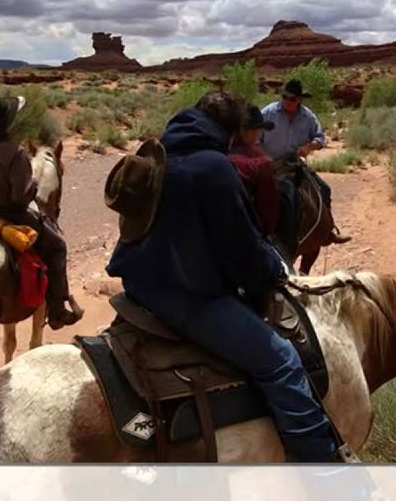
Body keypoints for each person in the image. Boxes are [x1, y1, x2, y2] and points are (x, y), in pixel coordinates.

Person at [104, 90, 356, 463]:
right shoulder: (213, 166)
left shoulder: (159, 154)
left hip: (139, 285)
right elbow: (243, 252)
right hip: (185, 299)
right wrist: (272, 271)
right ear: (231, 130)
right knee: (282, 361)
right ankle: (321, 470)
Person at [0, 95, 83, 330]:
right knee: (57, 246)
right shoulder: (16, 153)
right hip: (11, 215)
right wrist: (32, 183)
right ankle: (57, 310)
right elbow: (19, 197)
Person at [261, 79, 352, 245]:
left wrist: (309, 146)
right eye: (285, 97)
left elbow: (320, 137)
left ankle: (328, 231)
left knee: (324, 188)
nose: (288, 101)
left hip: (295, 164)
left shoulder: (307, 116)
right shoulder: (268, 112)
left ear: (300, 99)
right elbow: (254, 138)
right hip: (270, 164)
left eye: (292, 99)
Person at [228, 102, 280, 240]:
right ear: (247, 132)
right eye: (258, 130)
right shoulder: (260, 164)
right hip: (245, 236)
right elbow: (267, 215)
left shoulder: (214, 152)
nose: (259, 135)